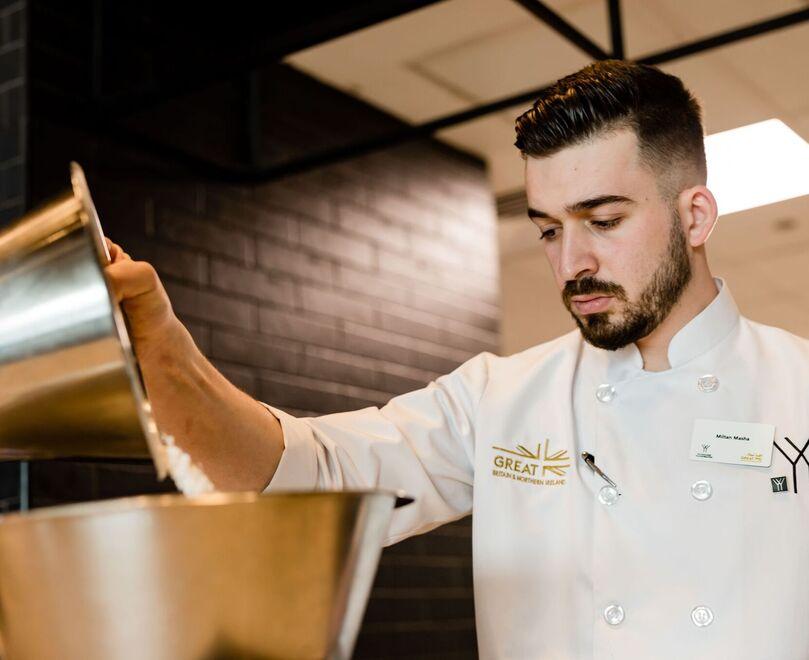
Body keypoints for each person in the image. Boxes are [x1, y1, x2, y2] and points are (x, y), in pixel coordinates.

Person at [104, 60, 809, 659]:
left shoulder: (798, 387)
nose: (572, 263)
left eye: (602, 222)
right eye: (547, 229)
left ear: (695, 216)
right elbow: (302, 474)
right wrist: (159, 346)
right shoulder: (499, 397)